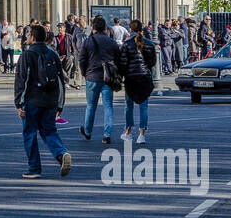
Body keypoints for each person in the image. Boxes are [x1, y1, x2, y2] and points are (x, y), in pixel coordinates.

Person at [14, 24, 72, 179]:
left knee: (30, 133)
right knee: (49, 131)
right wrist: (60, 104)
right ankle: (61, 153)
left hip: (32, 100)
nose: (26, 37)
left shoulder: (27, 54)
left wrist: (18, 104)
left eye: (28, 35)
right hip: (51, 100)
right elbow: (60, 80)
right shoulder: (52, 53)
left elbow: (21, 80)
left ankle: (34, 168)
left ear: (33, 37)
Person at [79, 14, 122, 144]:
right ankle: (107, 134)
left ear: (93, 28)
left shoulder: (88, 41)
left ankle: (87, 131)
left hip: (92, 77)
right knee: (108, 106)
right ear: (105, 29)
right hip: (107, 78)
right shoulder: (111, 42)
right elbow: (118, 60)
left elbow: (82, 60)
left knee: (91, 105)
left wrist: (85, 73)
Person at [120, 19, 156, 145]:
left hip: (131, 78)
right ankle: (142, 135)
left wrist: (123, 75)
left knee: (128, 106)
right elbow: (152, 62)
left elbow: (123, 63)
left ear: (130, 30)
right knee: (143, 106)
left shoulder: (126, 44)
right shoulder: (149, 44)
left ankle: (128, 132)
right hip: (144, 77)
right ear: (142, 29)